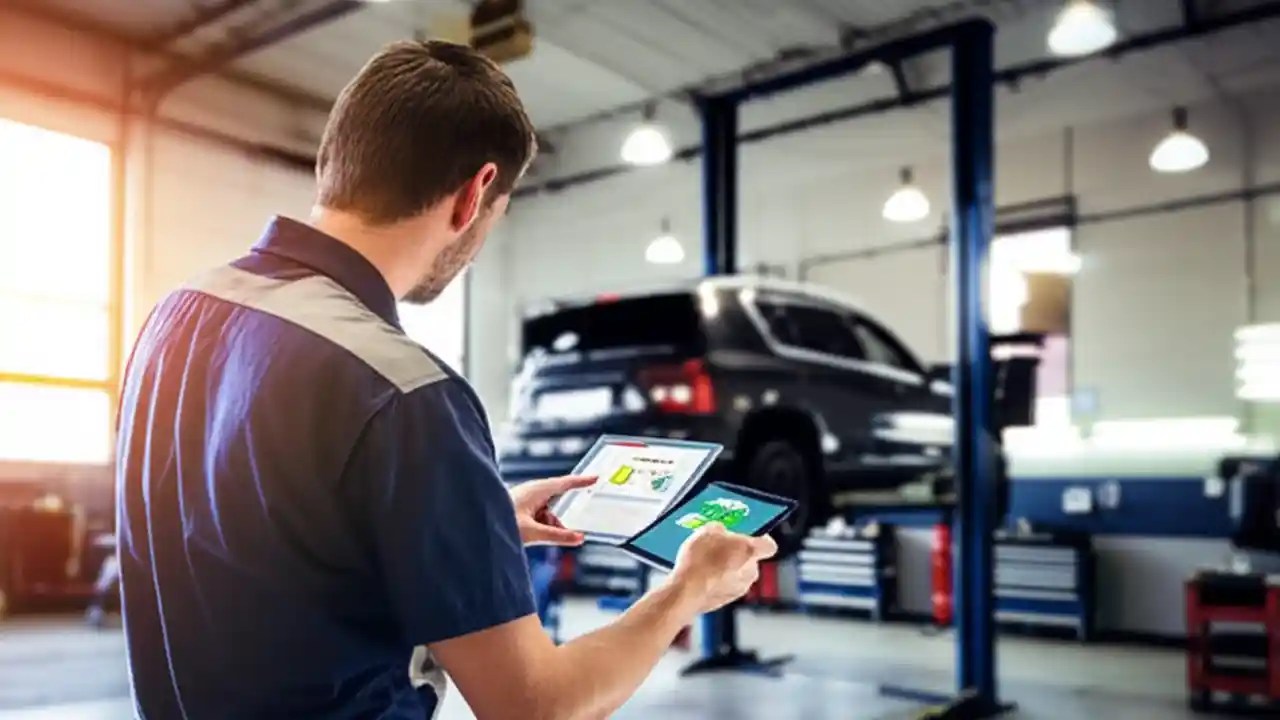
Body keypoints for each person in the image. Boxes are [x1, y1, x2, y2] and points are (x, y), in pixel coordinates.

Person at [114, 39, 776, 720]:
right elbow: (535, 706)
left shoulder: (178, 316)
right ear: (474, 194)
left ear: (332, 162)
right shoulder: (404, 391)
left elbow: (258, 537)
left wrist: (467, 527)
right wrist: (686, 592)